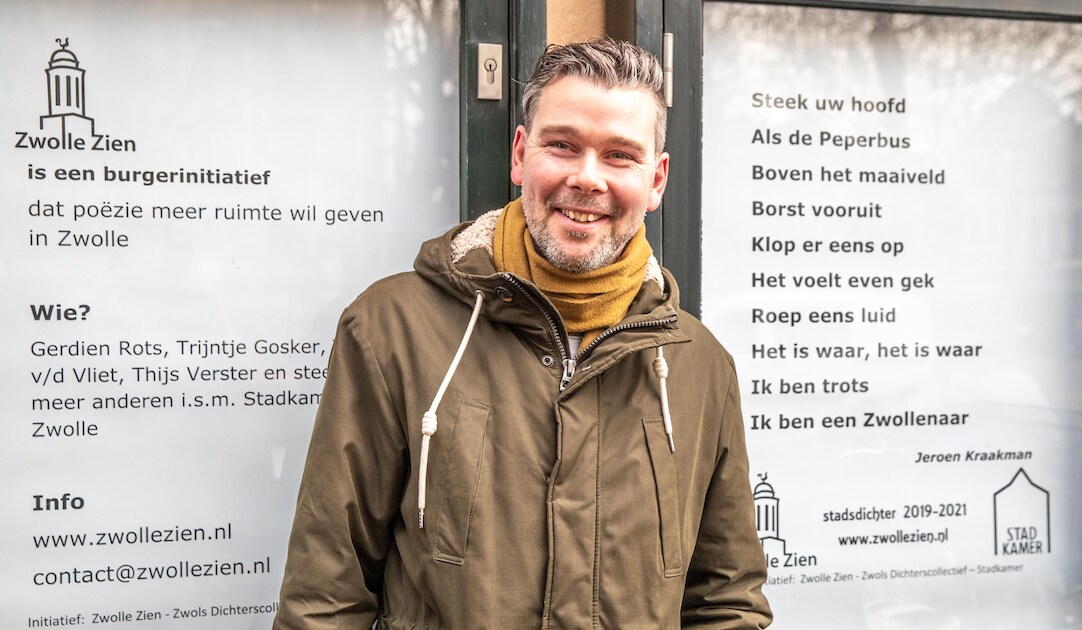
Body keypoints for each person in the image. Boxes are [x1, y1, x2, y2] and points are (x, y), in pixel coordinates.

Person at [274, 39, 771, 629]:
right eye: (562, 145)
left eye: (619, 156)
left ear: (657, 180)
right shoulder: (391, 330)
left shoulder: (699, 365)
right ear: (519, 153)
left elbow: (726, 601)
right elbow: (325, 596)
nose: (587, 178)